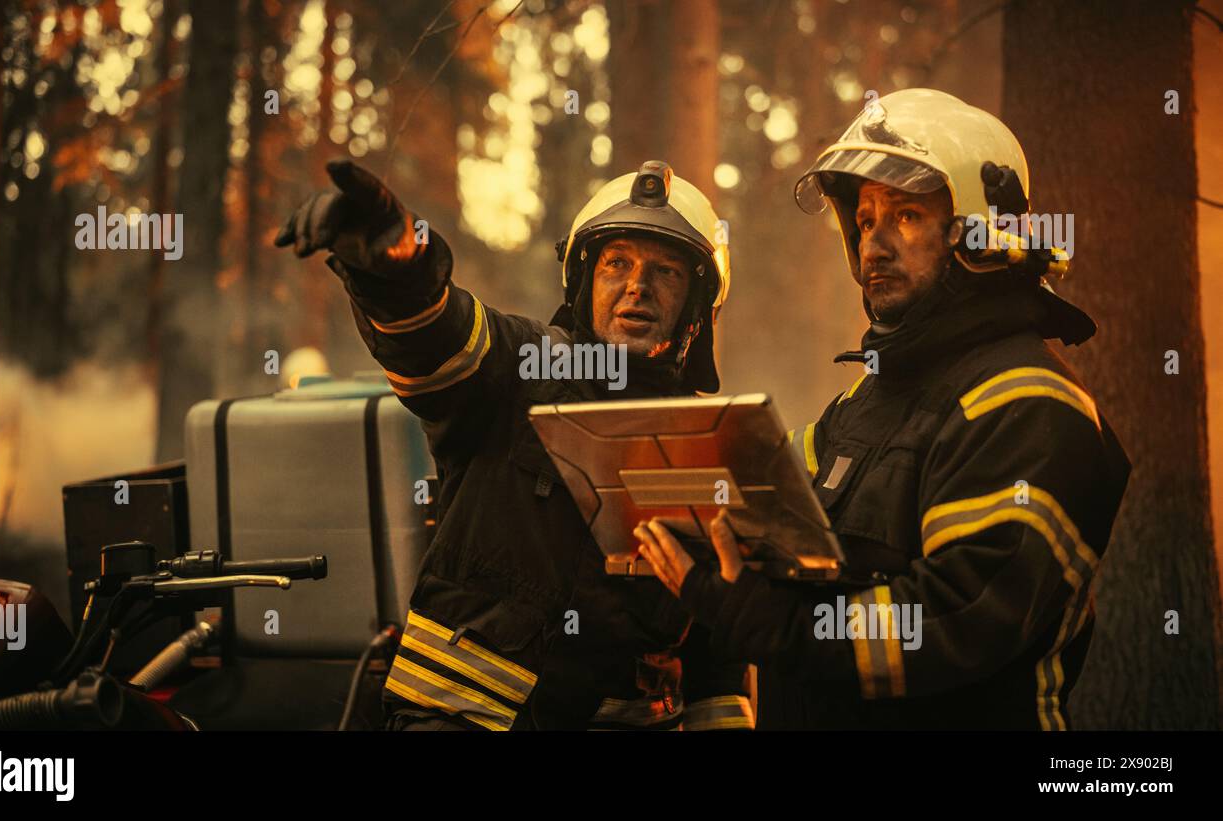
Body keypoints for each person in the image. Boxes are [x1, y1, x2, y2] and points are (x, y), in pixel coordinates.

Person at [634, 89, 1130, 730]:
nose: (873, 246)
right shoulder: (862, 405)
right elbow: (774, 526)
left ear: (976, 230)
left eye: (905, 216)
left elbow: (955, 621)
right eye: (865, 221)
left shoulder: (1030, 405)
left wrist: (764, 619)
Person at [276, 159, 752, 730]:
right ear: (582, 281)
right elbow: (436, 336)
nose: (636, 287)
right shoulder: (518, 370)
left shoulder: (707, 447)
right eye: (616, 263)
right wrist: (398, 274)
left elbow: (717, 660)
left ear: (698, 311)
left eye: (667, 272)